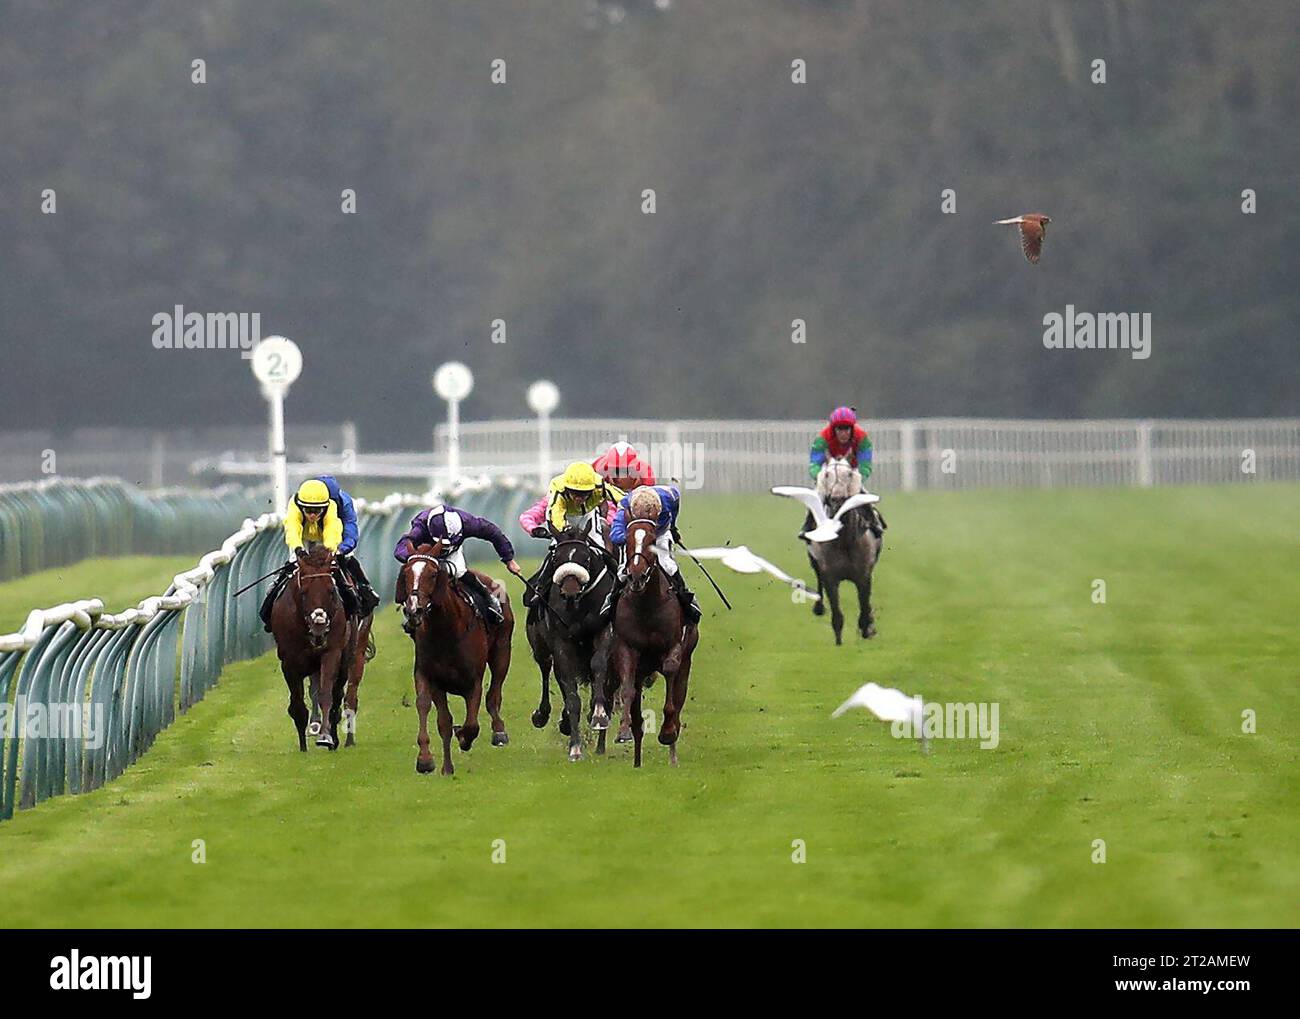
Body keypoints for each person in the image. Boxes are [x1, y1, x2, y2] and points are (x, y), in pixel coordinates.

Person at [260, 476, 379, 632]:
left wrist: (336, 551)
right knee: (291, 567)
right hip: (304, 538)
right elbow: (292, 530)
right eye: (308, 510)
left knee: (346, 560)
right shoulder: (296, 504)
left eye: (317, 510)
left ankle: (364, 592)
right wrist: (298, 549)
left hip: (333, 537)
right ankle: (271, 603)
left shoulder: (340, 505)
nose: (312, 515)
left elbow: (339, 532)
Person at [393, 502, 523, 624]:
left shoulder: (468, 523)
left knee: (459, 571)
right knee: (412, 572)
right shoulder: (421, 525)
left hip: (452, 554)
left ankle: (489, 599)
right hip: (425, 553)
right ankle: (409, 608)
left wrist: (509, 559)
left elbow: (493, 533)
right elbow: (401, 547)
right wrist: (415, 558)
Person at [605, 483, 702, 623]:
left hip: (659, 533)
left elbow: (675, 508)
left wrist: (673, 527)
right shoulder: (625, 505)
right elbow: (615, 535)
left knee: (668, 565)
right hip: (635, 536)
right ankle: (611, 601)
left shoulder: (669, 496)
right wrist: (636, 540)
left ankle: (686, 598)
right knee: (623, 570)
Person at [805, 406, 886, 540]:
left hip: (851, 475)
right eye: (839, 429)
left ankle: (874, 522)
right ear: (833, 429)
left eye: (847, 429)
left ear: (852, 429)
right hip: (829, 476)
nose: (843, 433)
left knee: (863, 495)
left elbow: (865, 464)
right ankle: (807, 526)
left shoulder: (862, 438)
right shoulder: (822, 438)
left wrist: (859, 477)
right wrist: (820, 476)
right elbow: (814, 464)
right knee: (816, 498)